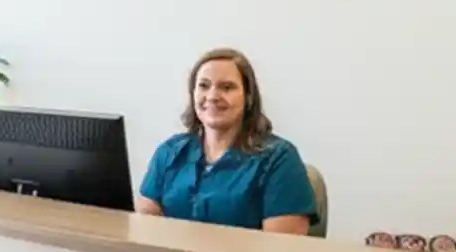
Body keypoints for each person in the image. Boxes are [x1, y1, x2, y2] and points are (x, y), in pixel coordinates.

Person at [135, 47, 319, 235]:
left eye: (227, 87)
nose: (212, 96)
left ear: (249, 97)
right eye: (204, 86)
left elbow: (282, 249)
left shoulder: (279, 158)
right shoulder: (169, 152)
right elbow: (145, 233)